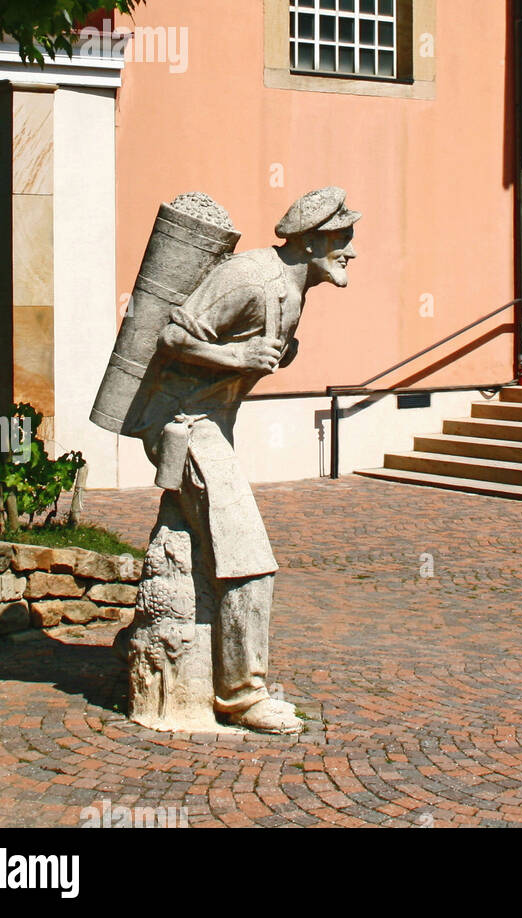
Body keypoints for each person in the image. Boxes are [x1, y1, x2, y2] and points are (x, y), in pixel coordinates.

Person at [130, 186, 358, 733]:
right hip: (183, 426)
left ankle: (160, 644)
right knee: (248, 555)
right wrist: (238, 354)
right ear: (308, 242)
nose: (351, 248)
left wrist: (272, 352)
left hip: (214, 425)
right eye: (341, 237)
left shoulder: (293, 288)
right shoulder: (251, 278)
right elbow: (173, 334)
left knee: (196, 556)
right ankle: (242, 695)